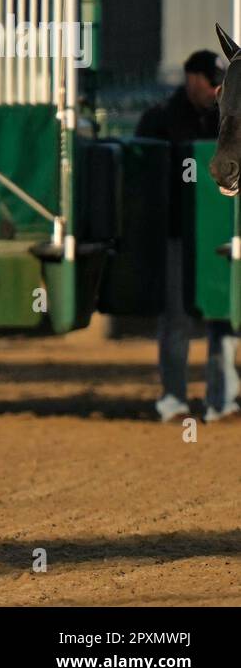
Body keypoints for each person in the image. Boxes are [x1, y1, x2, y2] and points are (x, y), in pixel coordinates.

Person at [136, 49, 240, 423]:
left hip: (216, 233)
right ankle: (173, 400)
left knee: (221, 317)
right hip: (176, 233)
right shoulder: (159, 119)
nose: (216, 91)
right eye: (211, 83)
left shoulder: (225, 119)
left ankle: (222, 400)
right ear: (192, 78)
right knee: (176, 319)